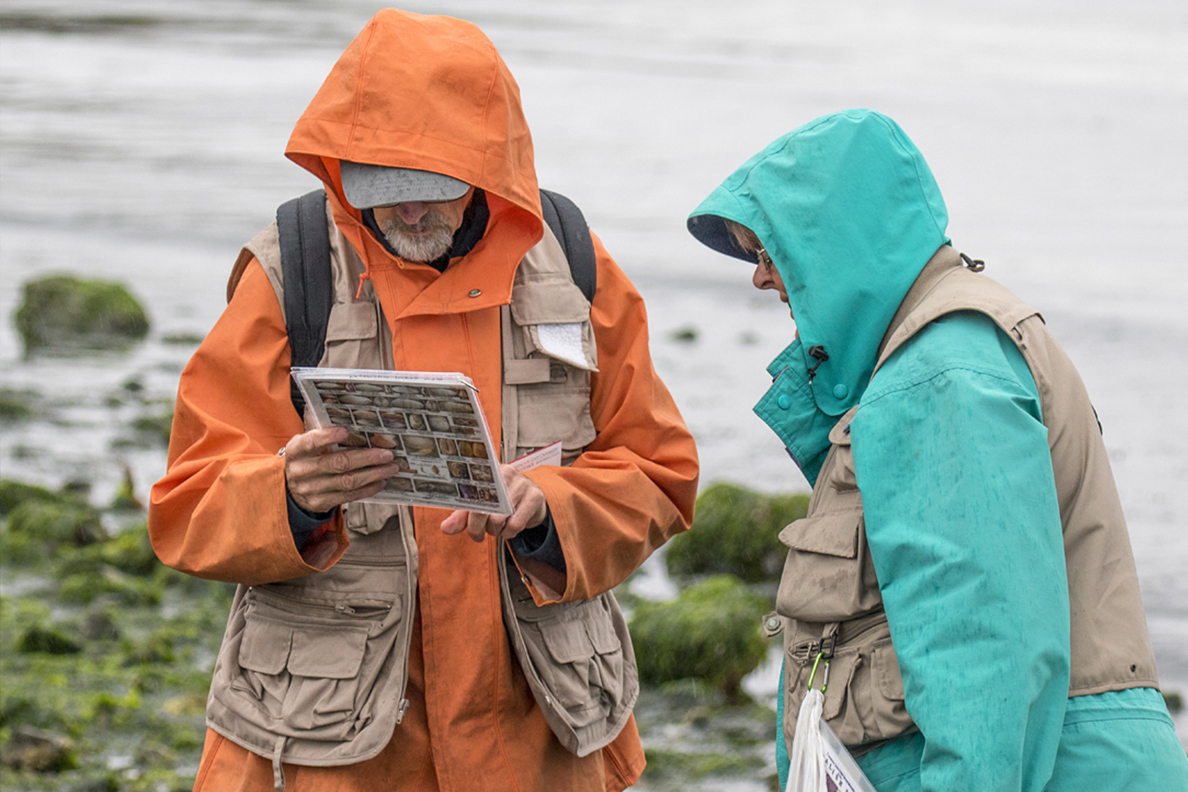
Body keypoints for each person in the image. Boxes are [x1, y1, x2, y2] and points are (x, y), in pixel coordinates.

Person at [148, 9, 698, 792]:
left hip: (541, 741)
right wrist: (288, 497)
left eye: (429, 189)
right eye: (383, 187)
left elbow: (661, 473)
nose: (407, 211)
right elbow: (186, 504)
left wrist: (551, 509)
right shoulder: (290, 271)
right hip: (332, 751)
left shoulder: (576, 264)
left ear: (487, 172)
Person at [686, 109, 1188, 791]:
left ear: (833, 247)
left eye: (771, 254)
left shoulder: (936, 376)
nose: (760, 279)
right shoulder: (945, 349)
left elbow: (983, 661)